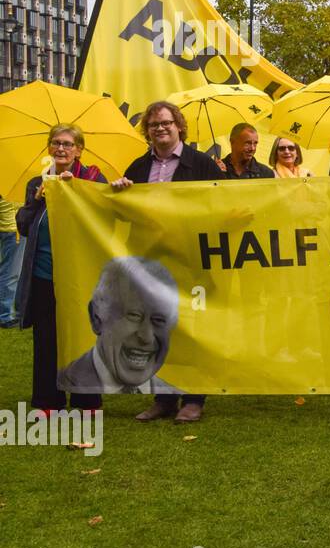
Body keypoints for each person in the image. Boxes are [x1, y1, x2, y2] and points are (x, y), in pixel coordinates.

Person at [111, 100, 224, 423]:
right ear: (147, 131)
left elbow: (227, 205)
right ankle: (163, 399)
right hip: (151, 264)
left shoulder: (201, 164)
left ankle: (193, 400)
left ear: (179, 127)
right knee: (154, 331)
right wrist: (119, 192)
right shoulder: (136, 168)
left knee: (191, 331)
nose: (159, 129)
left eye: (165, 123)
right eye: (153, 125)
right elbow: (123, 212)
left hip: (191, 262)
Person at [14, 125, 107, 414]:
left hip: (80, 275)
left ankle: (86, 400)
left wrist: (75, 190)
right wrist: (40, 197)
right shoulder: (37, 182)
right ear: (49, 148)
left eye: (67, 143)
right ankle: (47, 401)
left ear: (79, 149)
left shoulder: (92, 178)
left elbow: (103, 217)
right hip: (44, 272)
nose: (61, 149)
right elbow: (23, 224)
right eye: (55, 143)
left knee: (82, 337)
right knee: (46, 338)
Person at [58, 257, 182, 395]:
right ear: (96, 318)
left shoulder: (170, 390)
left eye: (158, 320)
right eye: (134, 315)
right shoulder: (67, 379)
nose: (146, 337)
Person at [0, 197, 20, 328]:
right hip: (12, 230)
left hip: (6, 227)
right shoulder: (13, 187)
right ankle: (5, 316)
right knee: (10, 273)